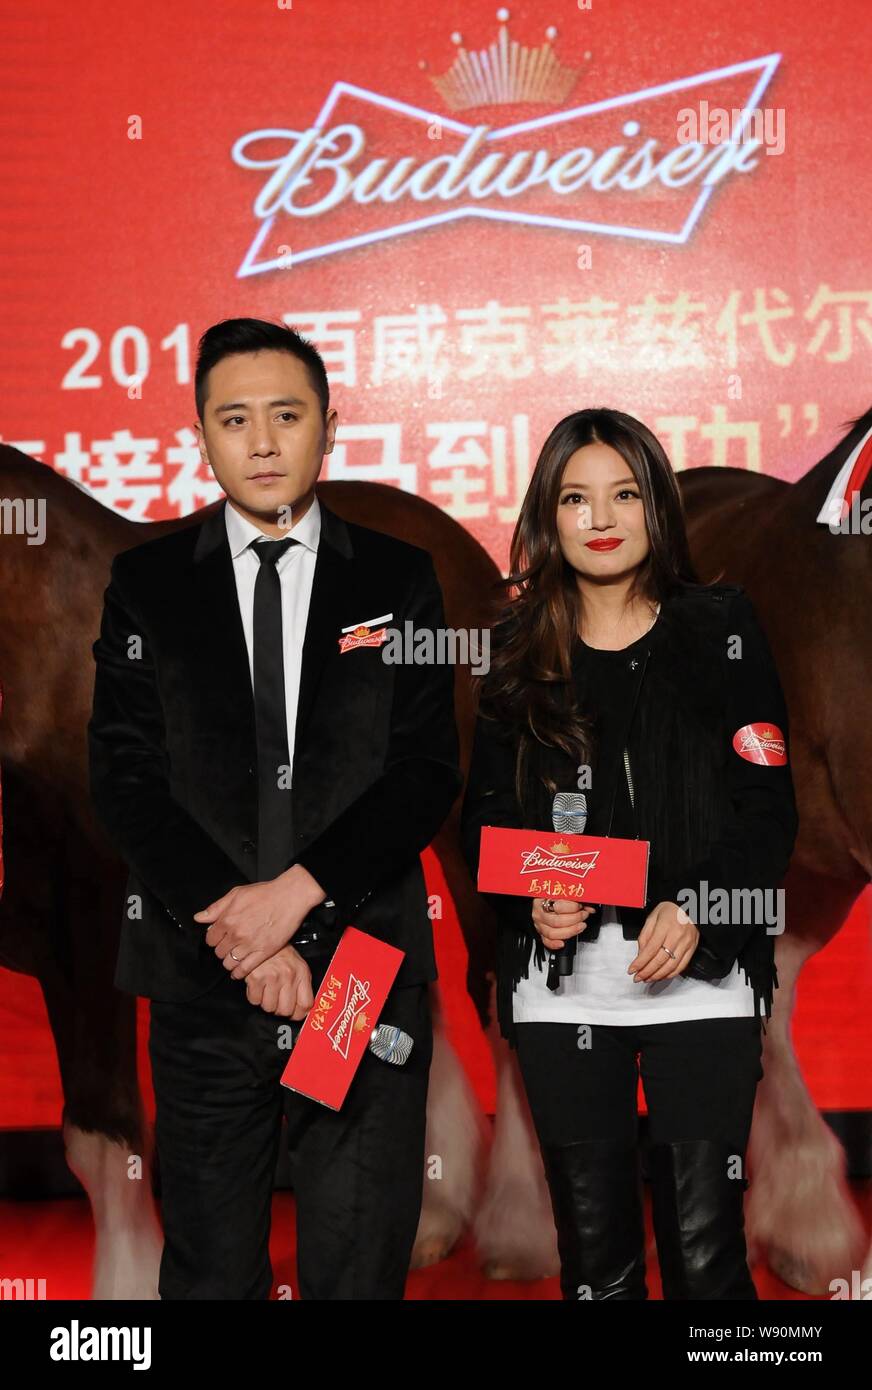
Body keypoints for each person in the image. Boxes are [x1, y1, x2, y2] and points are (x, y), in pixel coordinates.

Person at [88, 317, 462, 1299]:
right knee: (211, 1272)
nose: (261, 441)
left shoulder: (395, 578)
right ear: (200, 436)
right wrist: (241, 930)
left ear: (327, 429)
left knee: (355, 1267)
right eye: (234, 418)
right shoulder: (146, 586)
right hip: (201, 977)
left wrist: (297, 900)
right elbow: (124, 780)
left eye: (285, 416)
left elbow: (424, 771)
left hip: (360, 974)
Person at [461, 408, 798, 1301]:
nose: (600, 516)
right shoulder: (514, 648)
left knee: (706, 1259)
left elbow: (767, 807)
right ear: (548, 514)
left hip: (702, 981)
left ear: (657, 508)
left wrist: (699, 909)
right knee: (597, 1268)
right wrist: (532, 898)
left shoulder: (721, 627)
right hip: (562, 989)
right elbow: (485, 822)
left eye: (624, 493)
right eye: (575, 497)